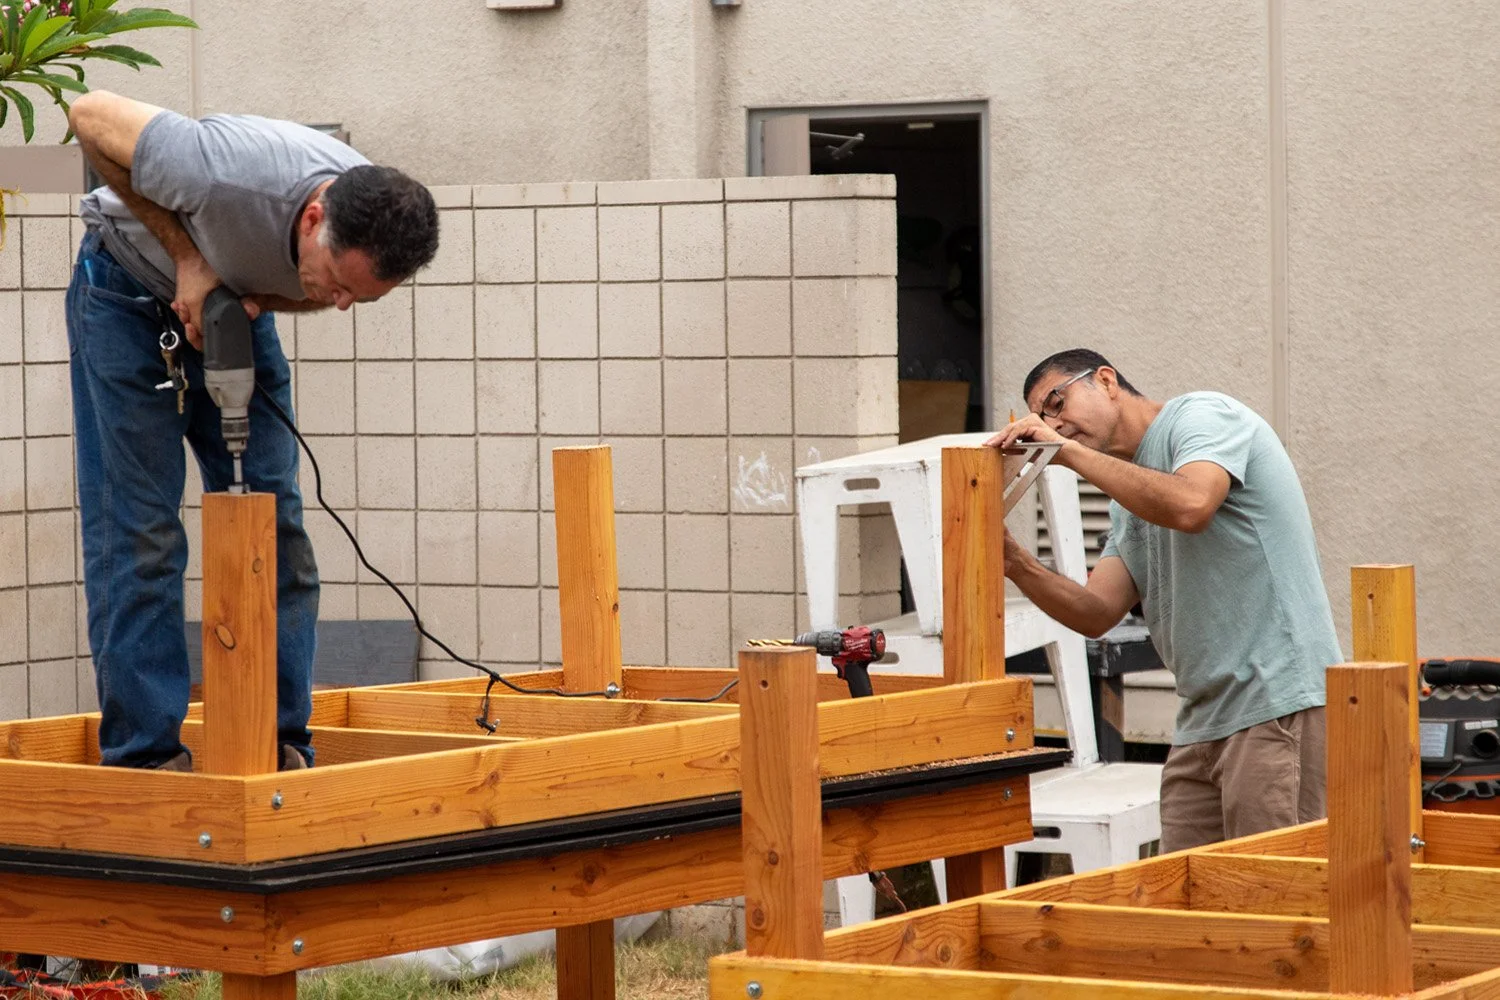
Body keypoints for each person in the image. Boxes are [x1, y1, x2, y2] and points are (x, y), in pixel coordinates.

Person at [66, 91, 439, 772]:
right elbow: (88, 116)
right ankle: (147, 759)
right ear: (314, 219)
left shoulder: (368, 212)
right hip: (124, 295)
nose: (341, 305)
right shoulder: (222, 171)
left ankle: (280, 742)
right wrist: (187, 256)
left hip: (232, 307)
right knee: (141, 534)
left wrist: (253, 301)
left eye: (360, 297)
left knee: (276, 522)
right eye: (337, 284)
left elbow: (320, 284)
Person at [989, 348, 1342, 851]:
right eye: (1044, 417)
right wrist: (1015, 562)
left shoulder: (1201, 416)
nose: (1054, 424)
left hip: (1275, 703)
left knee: (1276, 905)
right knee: (1188, 908)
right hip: (1201, 720)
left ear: (1106, 380)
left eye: (1057, 401)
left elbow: (1192, 503)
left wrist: (1065, 453)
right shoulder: (1128, 502)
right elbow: (1096, 612)